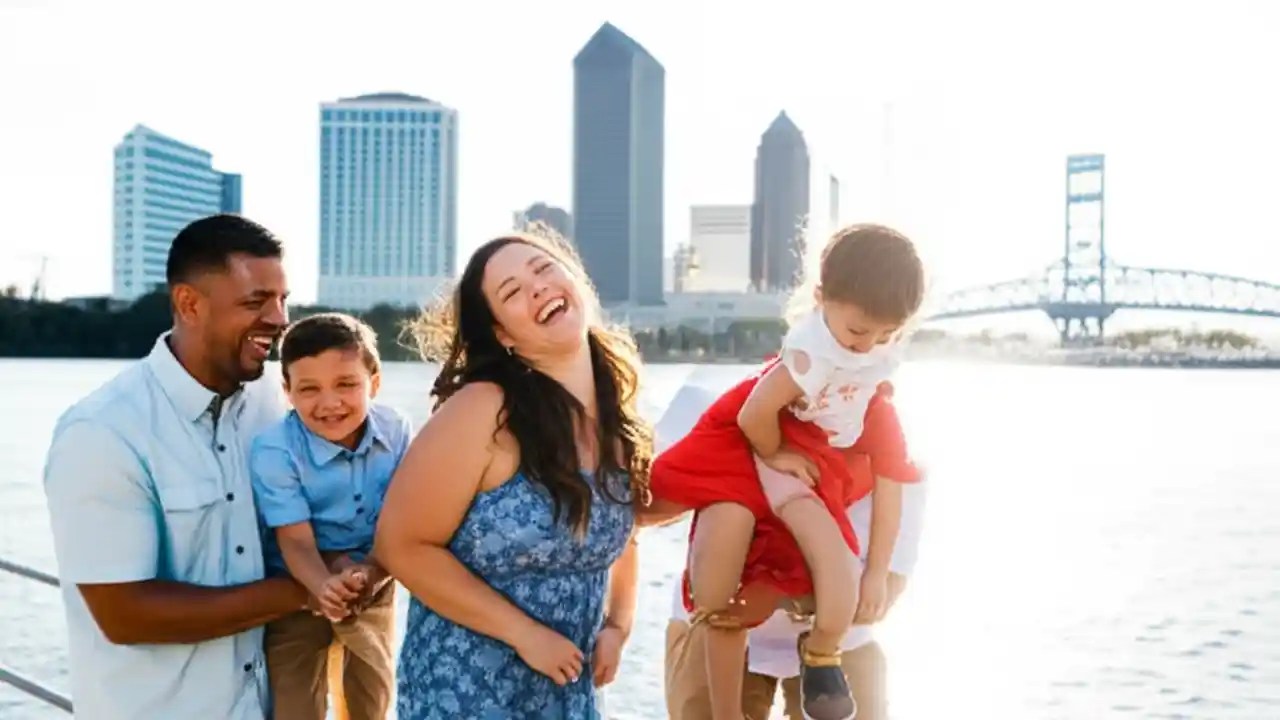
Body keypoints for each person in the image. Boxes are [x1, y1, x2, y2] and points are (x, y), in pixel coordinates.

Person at [648, 224, 926, 720]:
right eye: (858, 333)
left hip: (841, 650)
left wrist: (792, 592)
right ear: (820, 303)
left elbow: (891, 562)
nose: (865, 350)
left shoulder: (873, 406)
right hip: (716, 639)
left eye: (885, 337)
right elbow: (646, 511)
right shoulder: (711, 399)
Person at [373, 228, 652, 719]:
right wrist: (523, 633)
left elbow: (620, 535)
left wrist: (618, 624)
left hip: (567, 694)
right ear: (503, 334)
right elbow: (401, 546)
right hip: (466, 692)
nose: (537, 287)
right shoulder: (484, 410)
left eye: (543, 269)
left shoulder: (616, 423)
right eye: (512, 292)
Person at [41, 214, 310, 720]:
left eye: (282, 299)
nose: (278, 318)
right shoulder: (101, 433)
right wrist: (310, 588)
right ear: (189, 304)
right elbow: (125, 614)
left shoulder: (278, 403)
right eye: (256, 301)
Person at [249, 312, 412, 720]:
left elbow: (405, 522)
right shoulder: (275, 450)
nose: (329, 403)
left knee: (369, 702)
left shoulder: (396, 432)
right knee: (294, 705)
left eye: (346, 384)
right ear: (287, 391)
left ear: (374, 383)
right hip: (298, 585)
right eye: (309, 389)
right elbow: (295, 541)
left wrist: (371, 573)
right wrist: (324, 586)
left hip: (373, 579)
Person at [665, 480, 929, 720]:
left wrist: (779, 597)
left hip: (838, 650)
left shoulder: (896, 468)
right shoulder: (742, 442)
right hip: (721, 640)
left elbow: (880, 599)